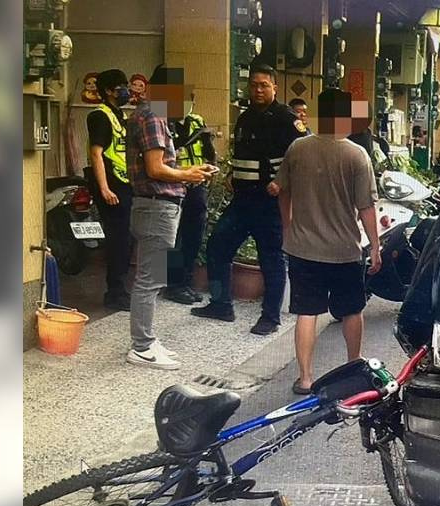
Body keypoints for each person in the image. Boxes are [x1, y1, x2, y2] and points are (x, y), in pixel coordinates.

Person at [273, 89, 380, 394]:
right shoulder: (356, 155)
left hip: (303, 249)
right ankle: (353, 368)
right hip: (344, 250)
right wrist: (375, 246)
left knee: (307, 313)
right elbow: (366, 207)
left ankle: (306, 378)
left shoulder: (298, 148)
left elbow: (283, 191)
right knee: (352, 310)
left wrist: (288, 226)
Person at [192, 65, 307, 335]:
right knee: (218, 246)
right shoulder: (244, 118)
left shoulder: (286, 119)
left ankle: (270, 317)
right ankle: (221, 304)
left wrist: (282, 183)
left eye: (263, 85)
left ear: (275, 87)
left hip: (269, 205)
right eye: (254, 85)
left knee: (272, 260)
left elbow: (303, 155)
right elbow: (244, 153)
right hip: (242, 201)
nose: (257, 89)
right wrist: (233, 174)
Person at [125, 66, 214, 370]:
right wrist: (188, 174)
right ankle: (141, 346)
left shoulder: (147, 112)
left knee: (152, 277)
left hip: (153, 205)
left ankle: (147, 339)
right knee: (150, 280)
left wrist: (190, 174)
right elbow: (156, 168)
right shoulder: (153, 115)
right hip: (156, 205)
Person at [161, 87, 216, 305]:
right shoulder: (164, 123)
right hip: (172, 186)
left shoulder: (196, 121)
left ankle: (186, 282)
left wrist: (210, 168)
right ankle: (173, 286)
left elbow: (208, 149)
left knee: (193, 235)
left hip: (196, 186)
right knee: (173, 238)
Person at [84, 68, 133, 311]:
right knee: (117, 240)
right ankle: (114, 292)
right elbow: (96, 153)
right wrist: (103, 188)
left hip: (124, 183)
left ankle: (120, 288)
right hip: (111, 186)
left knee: (125, 239)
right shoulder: (100, 115)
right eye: (121, 86)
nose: (126, 90)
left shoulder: (118, 114)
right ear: (108, 91)